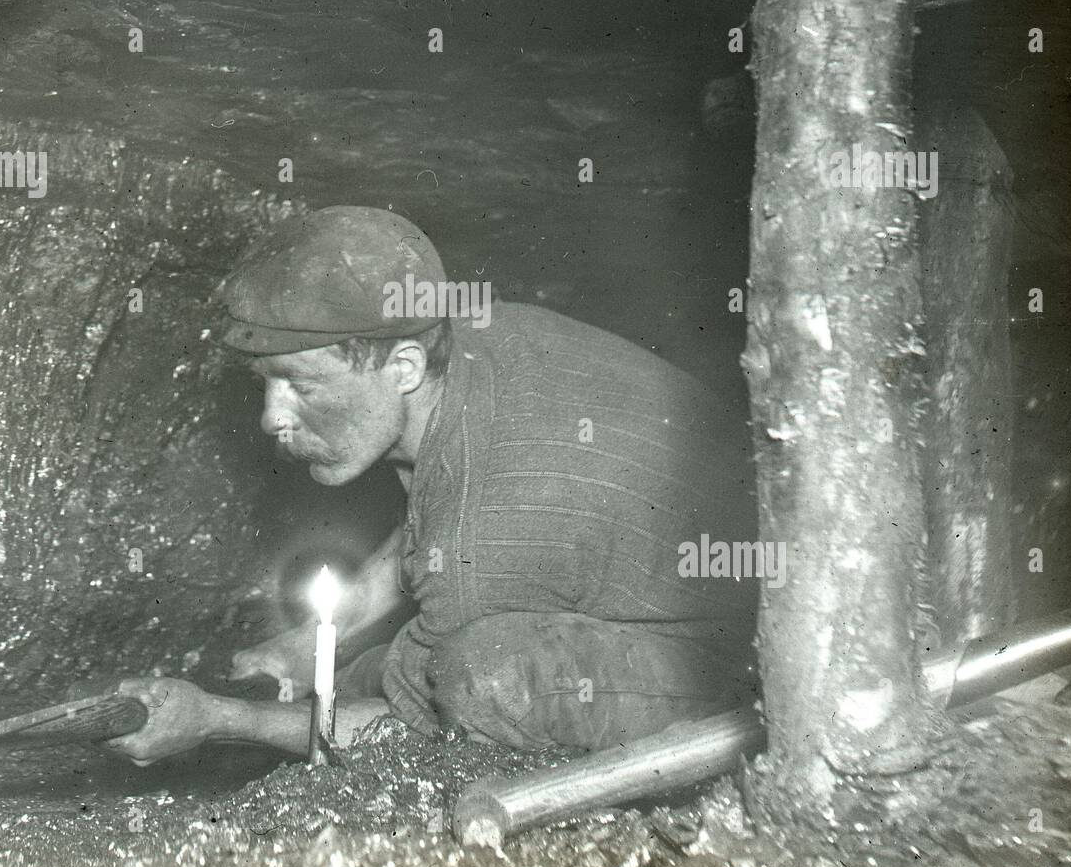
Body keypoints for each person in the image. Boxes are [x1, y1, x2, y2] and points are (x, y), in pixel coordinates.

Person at [106, 206, 758, 767]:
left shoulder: (487, 529)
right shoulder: (468, 339)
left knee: (476, 678)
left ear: (405, 366)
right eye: (265, 384)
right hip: (685, 578)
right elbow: (438, 506)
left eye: (301, 386)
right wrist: (308, 647)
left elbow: (392, 730)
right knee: (364, 669)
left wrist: (221, 720)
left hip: (739, 669)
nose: (272, 417)